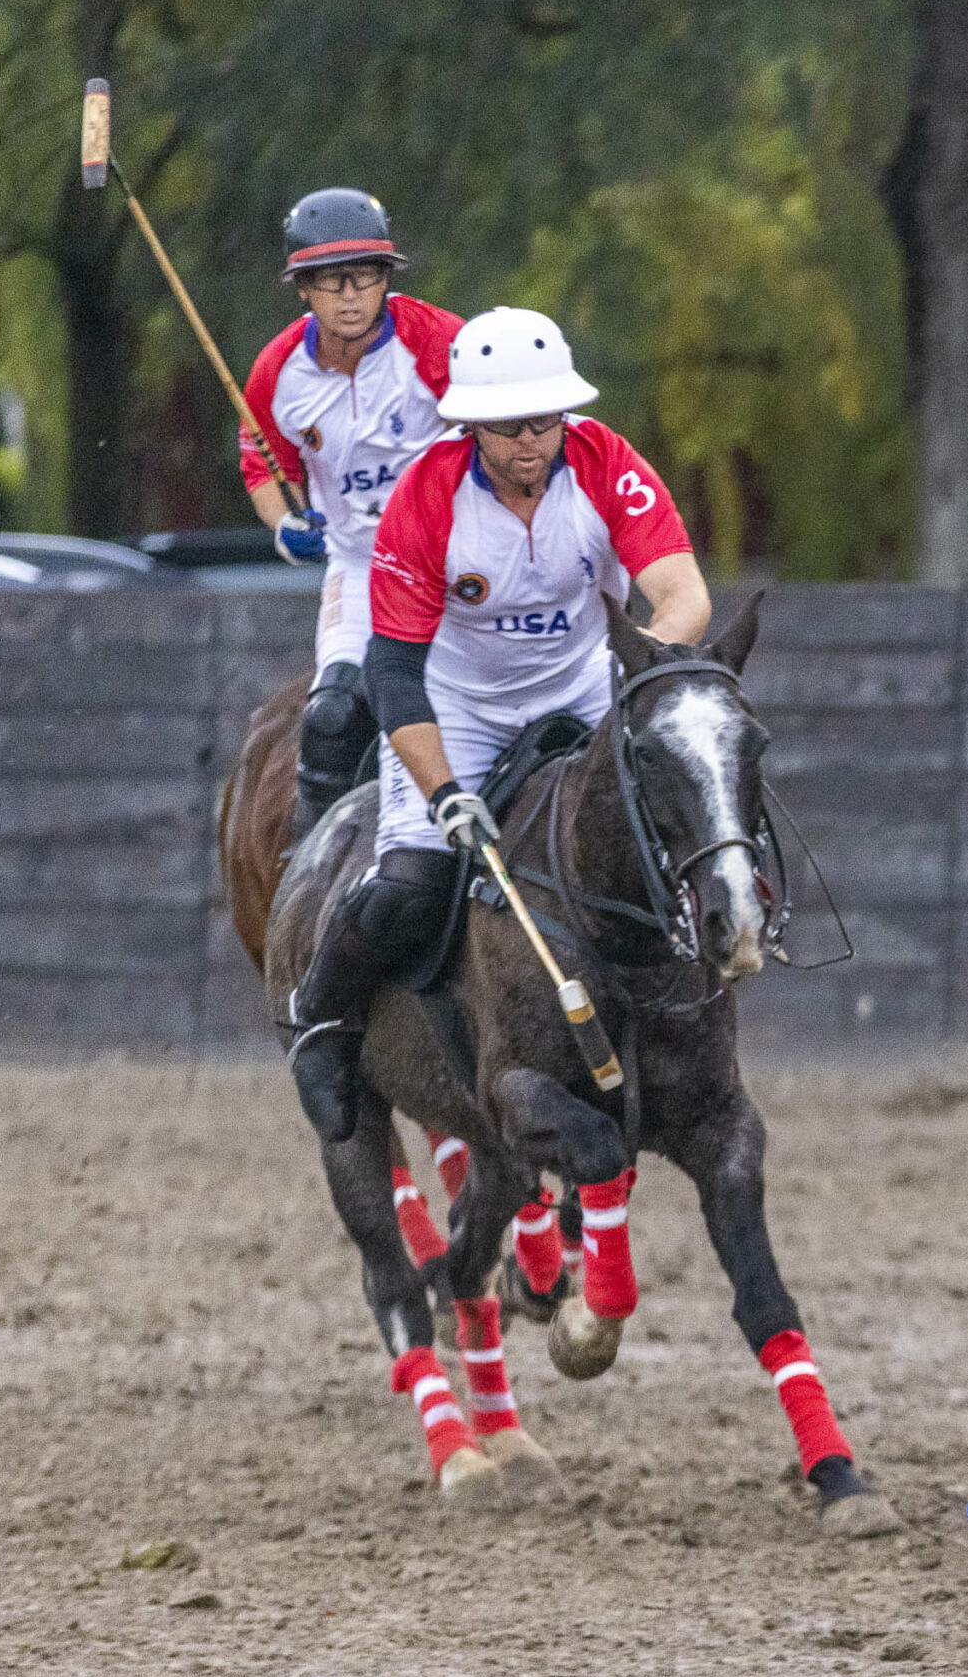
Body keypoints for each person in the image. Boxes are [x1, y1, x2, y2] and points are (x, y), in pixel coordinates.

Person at [282, 306, 711, 1143]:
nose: (532, 442)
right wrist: (445, 793)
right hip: (460, 703)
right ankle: (322, 1021)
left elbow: (685, 597)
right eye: (511, 427)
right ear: (471, 424)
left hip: (589, 685)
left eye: (545, 421)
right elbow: (394, 672)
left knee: (674, 830)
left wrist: (639, 679)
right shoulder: (427, 494)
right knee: (412, 878)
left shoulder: (607, 462)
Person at [238, 188, 464, 837]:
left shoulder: (440, 345)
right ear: (301, 288)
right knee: (332, 715)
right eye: (328, 279)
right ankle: (314, 875)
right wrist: (285, 525)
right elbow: (263, 468)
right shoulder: (276, 373)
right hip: (361, 564)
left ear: (385, 276)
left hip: (453, 560)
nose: (349, 293)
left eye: (363, 273)